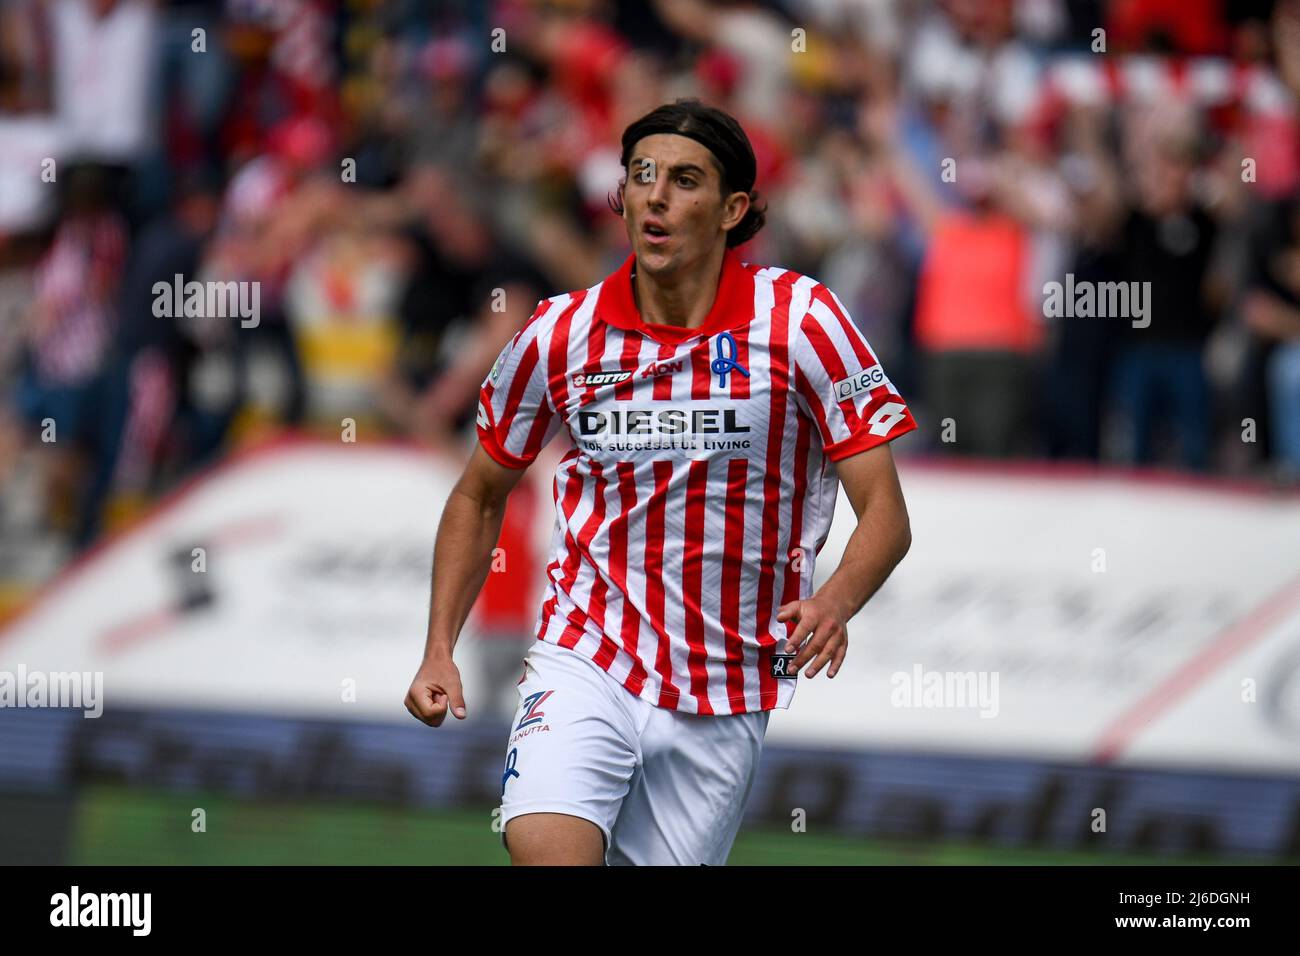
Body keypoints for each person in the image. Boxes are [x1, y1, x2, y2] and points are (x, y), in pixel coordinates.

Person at [403, 100, 915, 866]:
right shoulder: (559, 333)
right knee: (547, 851)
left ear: (733, 208)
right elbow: (479, 491)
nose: (656, 196)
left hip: (727, 687)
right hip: (588, 652)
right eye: (642, 176)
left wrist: (836, 602)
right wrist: (439, 645)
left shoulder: (804, 323)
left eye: (684, 180)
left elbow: (887, 513)